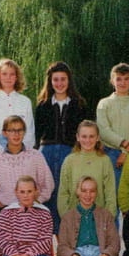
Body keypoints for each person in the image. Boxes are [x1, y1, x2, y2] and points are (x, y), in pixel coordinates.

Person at [33, 61, 87, 217]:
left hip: (70, 152)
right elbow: (37, 134)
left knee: (67, 193)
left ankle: (65, 235)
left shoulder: (79, 105)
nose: (59, 83)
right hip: (47, 153)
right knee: (47, 193)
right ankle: (46, 235)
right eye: (55, 79)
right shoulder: (43, 105)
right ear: (50, 82)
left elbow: (83, 133)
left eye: (63, 79)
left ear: (69, 80)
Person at [0, 115, 54, 226]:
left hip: (32, 212)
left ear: (24, 132)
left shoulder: (35, 156)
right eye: (12, 130)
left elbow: (48, 184)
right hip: (6, 213)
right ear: (4, 133)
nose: (16, 134)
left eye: (20, 130)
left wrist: (37, 201)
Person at [96, 62, 129, 189]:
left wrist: (125, 152)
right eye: (118, 79)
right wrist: (124, 144)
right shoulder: (104, 103)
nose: (122, 83)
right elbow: (103, 130)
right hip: (110, 153)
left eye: (126, 79)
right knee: (111, 192)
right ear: (112, 81)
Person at [0, 59, 35, 162]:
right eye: (4, 74)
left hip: (21, 152)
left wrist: (21, 152)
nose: (8, 78)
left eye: (12, 74)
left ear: (17, 77)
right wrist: (2, 151)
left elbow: (29, 133)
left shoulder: (25, 101)